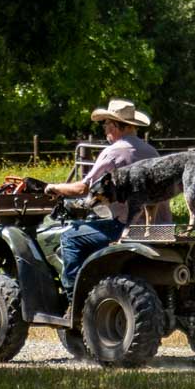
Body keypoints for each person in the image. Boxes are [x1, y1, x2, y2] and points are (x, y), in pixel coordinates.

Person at [45, 99, 170, 295]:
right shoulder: (152, 151)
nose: (104, 129)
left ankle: (73, 298)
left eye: (106, 124)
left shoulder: (114, 152)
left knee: (70, 237)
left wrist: (53, 187)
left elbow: (83, 188)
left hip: (128, 228)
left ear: (115, 125)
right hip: (161, 227)